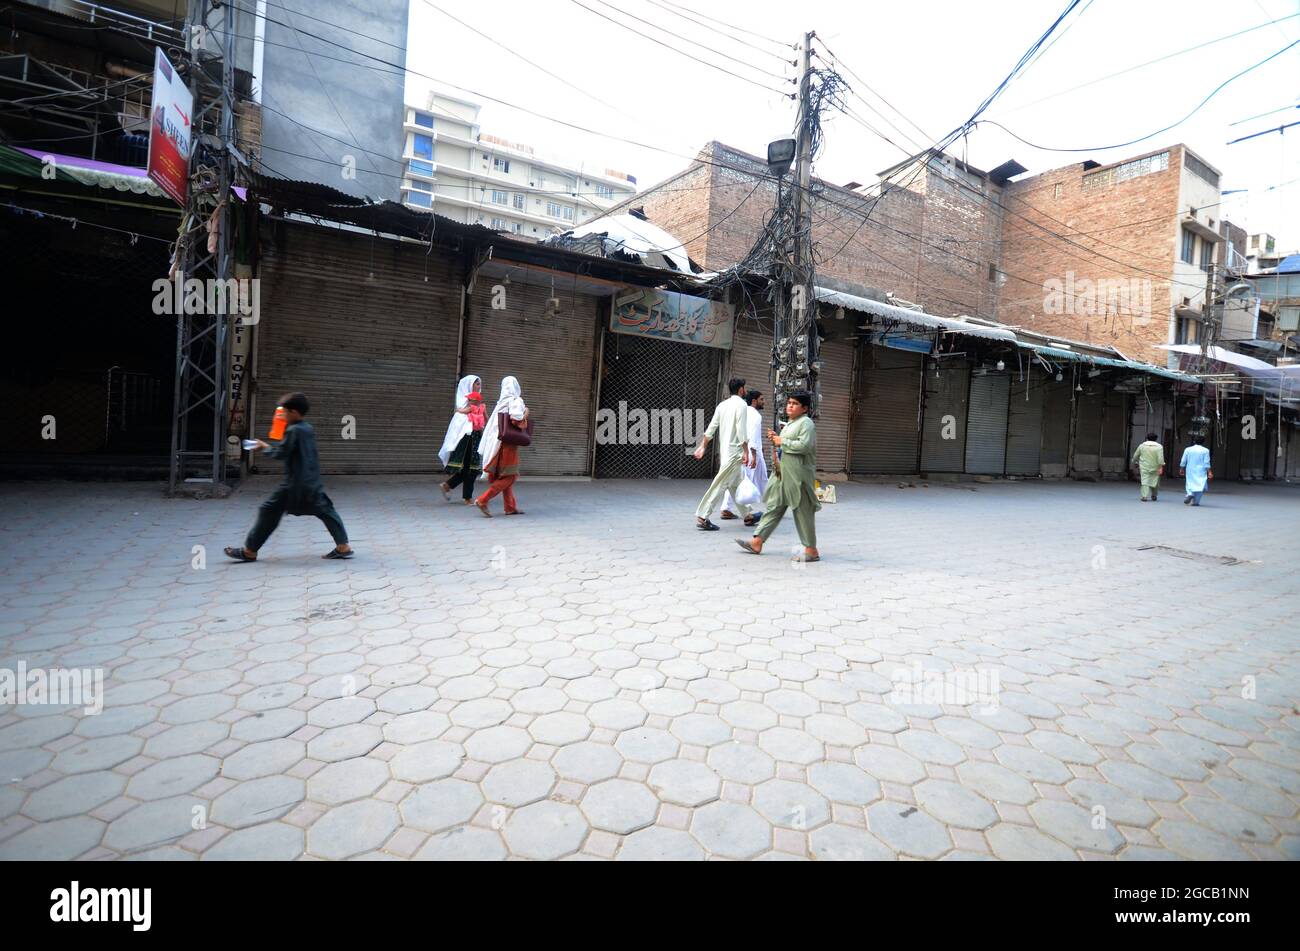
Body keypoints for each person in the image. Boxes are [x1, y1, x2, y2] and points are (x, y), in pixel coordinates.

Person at [225, 392, 352, 562]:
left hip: (295, 484)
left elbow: (281, 453)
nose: (282, 415)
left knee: (268, 510)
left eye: (284, 412)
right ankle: (343, 547)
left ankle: (249, 551)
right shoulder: (307, 428)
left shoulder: (293, 430)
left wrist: (263, 446)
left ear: (293, 412)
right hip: (311, 481)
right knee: (326, 511)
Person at [736, 391, 820, 562]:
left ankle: (811, 550)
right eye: (789, 402)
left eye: (795, 403)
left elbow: (804, 446)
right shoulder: (791, 423)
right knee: (773, 508)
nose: (790, 405)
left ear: (804, 408)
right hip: (783, 476)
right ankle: (757, 541)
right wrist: (776, 439)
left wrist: (782, 441)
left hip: (798, 478)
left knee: (803, 512)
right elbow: (785, 445)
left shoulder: (807, 424)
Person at [692, 377, 750, 531]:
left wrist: (702, 446)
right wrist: (746, 451)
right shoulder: (742, 405)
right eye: (744, 388)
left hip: (725, 452)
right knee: (721, 484)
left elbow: (711, 428)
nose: (745, 391)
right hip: (735, 452)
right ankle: (703, 515)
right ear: (740, 390)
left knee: (735, 484)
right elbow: (741, 431)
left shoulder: (722, 405)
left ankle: (748, 515)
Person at [475, 375, 529, 517]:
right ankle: (483, 500)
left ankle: (510, 507)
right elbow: (516, 418)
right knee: (509, 476)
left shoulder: (501, 403)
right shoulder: (516, 400)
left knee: (504, 475)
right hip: (508, 445)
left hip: (497, 444)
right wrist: (526, 413)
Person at [721, 389, 768, 527]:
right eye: (762, 399)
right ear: (754, 401)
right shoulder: (755, 415)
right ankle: (729, 508)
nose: (764, 402)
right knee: (743, 480)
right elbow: (752, 435)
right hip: (751, 453)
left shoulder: (742, 411)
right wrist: (752, 453)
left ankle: (774, 506)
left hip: (745, 450)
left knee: (759, 477)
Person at [438, 374, 486, 505]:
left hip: (475, 438)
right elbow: (458, 426)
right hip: (467, 439)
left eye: (479, 383)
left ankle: (448, 486)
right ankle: (467, 497)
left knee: (471, 468)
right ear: (468, 386)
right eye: (476, 383)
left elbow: (483, 421)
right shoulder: (463, 408)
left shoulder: (479, 404)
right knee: (471, 468)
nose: (479, 386)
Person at [1131, 431, 1165, 502]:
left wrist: (1134, 461)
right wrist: (1161, 467)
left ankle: (1144, 496)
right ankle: (1154, 495)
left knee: (1145, 481)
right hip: (1155, 466)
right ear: (1156, 439)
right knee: (1155, 481)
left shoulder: (1142, 446)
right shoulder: (1159, 447)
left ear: (1147, 438)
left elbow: (1135, 455)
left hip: (1144, 466)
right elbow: (1160, 458)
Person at [1180, 435, 1213, 506]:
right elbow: (1206, 462)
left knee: (1189, 482)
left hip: (1190, 469)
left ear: (1194, 441)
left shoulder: (1188, 449)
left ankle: (1190, 494)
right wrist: (1209, 472)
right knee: (1200, 485)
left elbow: (1183, 460)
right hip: (1201, 470)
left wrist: (1182, 468)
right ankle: (1196, 502)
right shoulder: (1206, 450)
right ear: (1203, 442)